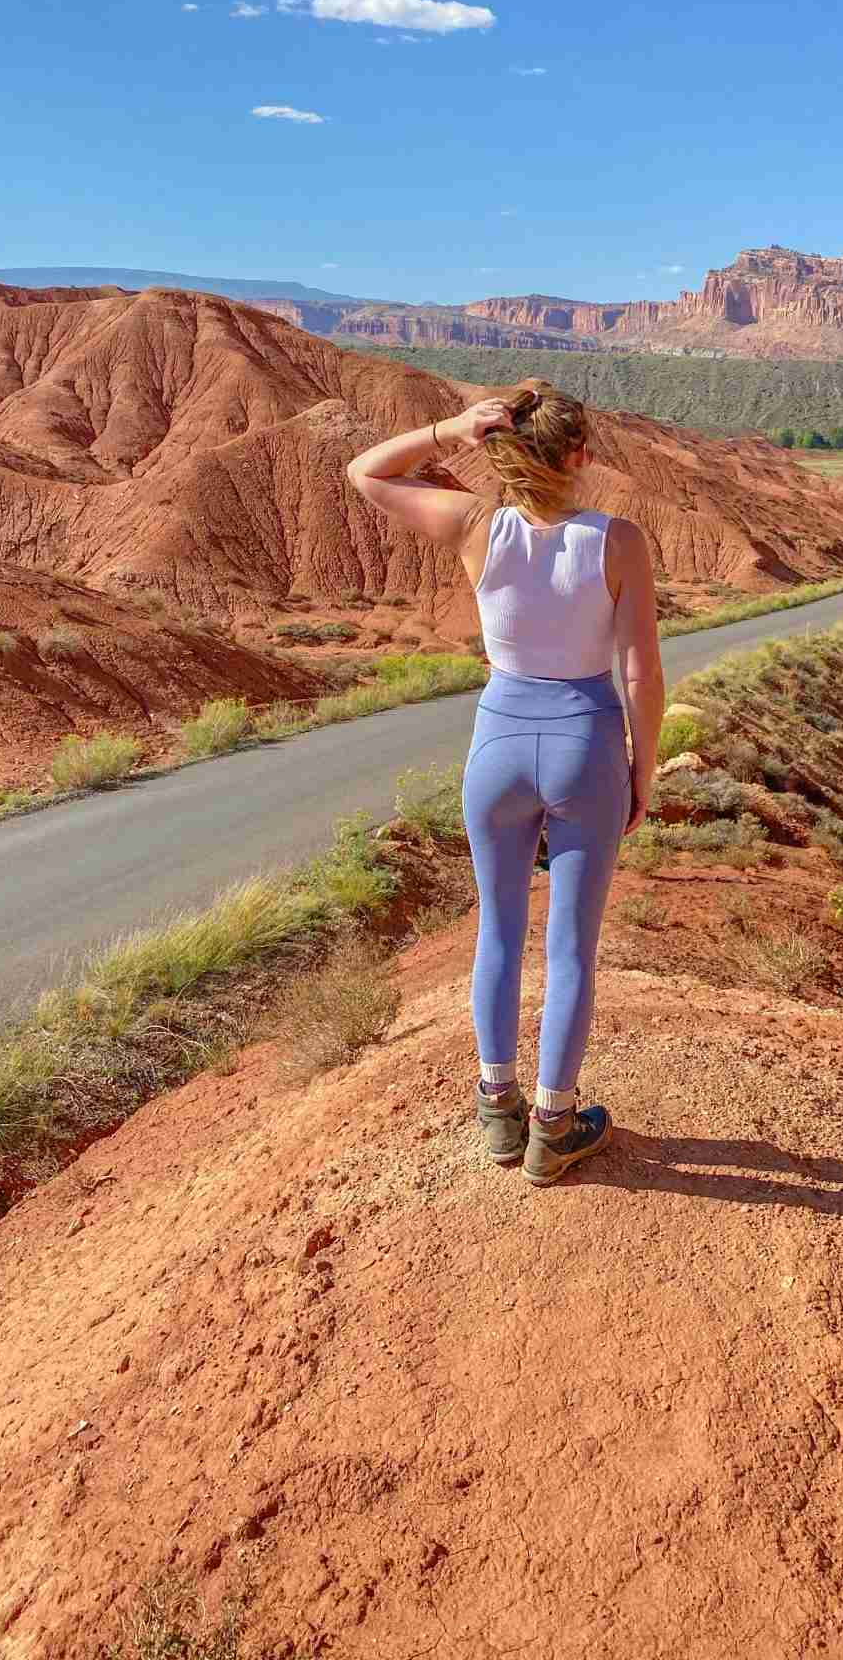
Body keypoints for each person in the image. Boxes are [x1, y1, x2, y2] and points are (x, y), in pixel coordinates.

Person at [346, 383, 664, 1185]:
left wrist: (450, 429)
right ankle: (554, 1129)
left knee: (498, 932)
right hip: (584, 743)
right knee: (572, 951)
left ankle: (498, 1112)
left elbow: (366, 473)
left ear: (505, 452)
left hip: (497, 746)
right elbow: (639, 670)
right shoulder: (617, 540)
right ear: (580, 457)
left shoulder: (474, 526)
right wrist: (642, 771)